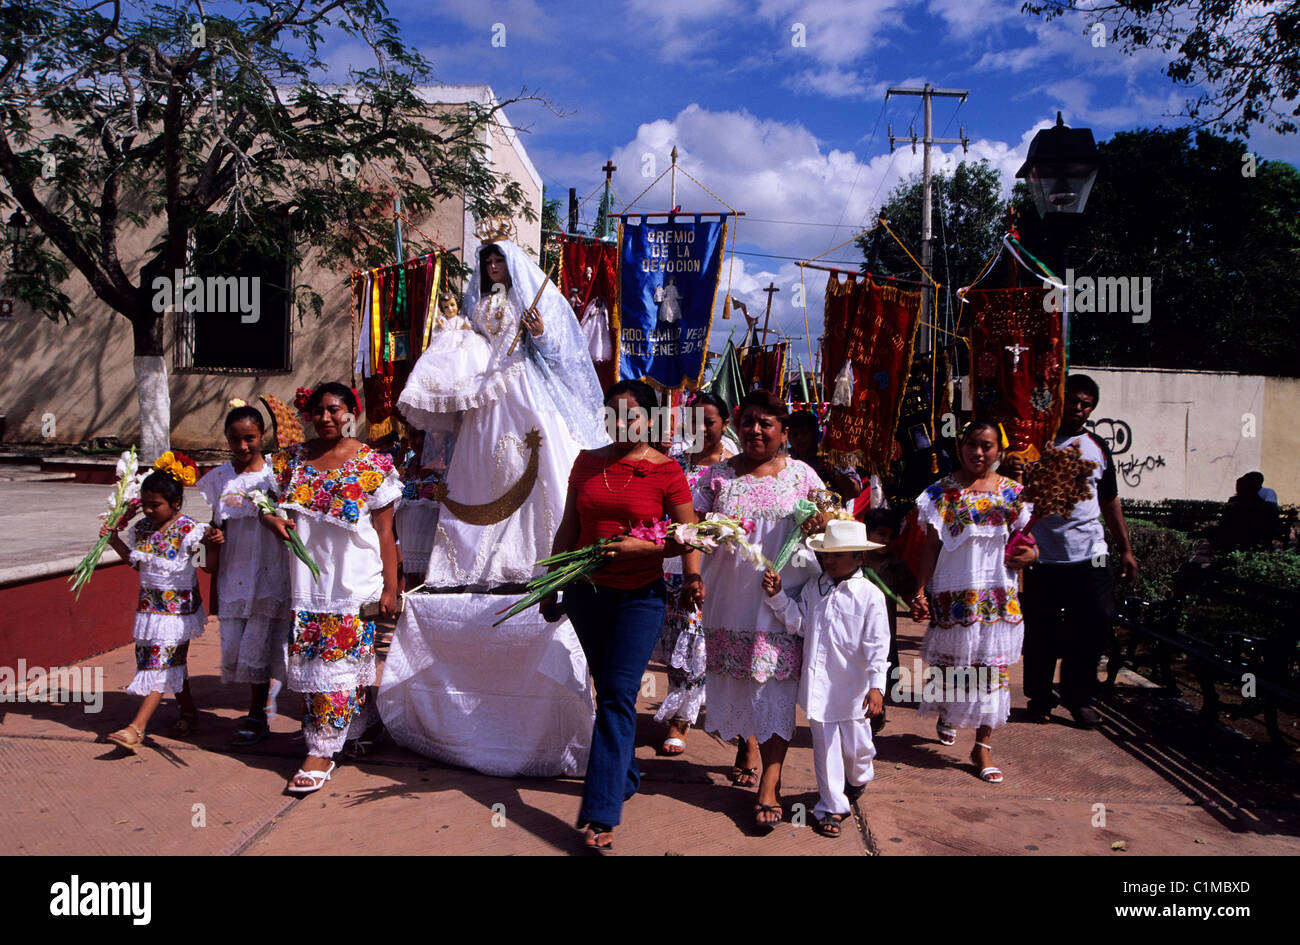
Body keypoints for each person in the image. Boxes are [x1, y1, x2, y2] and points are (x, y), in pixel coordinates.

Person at [542, 380, 701, 853]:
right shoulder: (587, 462)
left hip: (639, 598)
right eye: (612, 413)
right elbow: (570, 526)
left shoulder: (667, 471)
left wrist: (656, 553)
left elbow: (689, 534)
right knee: (606, 689)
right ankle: (625, 773)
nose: (621, 423)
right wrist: (551, 584)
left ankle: (599, 811)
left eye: (631, 415)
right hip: (585, 594)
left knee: (617, 695)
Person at [396, 240, 606, 590]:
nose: (493, 266)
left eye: (499, 260)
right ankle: (471, 559)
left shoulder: (528, 298)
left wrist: (538, 331)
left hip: (525, 385)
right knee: (482, 466)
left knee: (538, 458)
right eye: (488, 261)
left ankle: (544, 555)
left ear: (512, 264)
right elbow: (471, 345)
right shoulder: (476, 304)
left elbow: (560, 349)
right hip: (487, 391)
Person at [693, 389, 827, 828]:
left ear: (783, 433)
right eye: (748, 421)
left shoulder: (803, 476)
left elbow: (832, 526)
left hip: (780, 605)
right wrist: (693, 573)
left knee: (776, 691)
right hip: (729, 605)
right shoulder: (716, 478)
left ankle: (770, 784)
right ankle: (746, 744)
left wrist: (820, 522)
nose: (754, 430)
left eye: (765, 423)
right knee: (742, 685)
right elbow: (690, 532)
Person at [263, 383, 402, 794]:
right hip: (307, 586)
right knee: (315, 669)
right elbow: (267, 508)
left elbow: (386, 532)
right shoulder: (290, 462)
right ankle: (363, 725)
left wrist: (391, 590)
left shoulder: (373, 463)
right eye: (318, 411)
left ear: (351, 412)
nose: (325, 418)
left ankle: (320, 751)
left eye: (334, 410)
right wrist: (269, 521)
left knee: (335, 669)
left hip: (354, 585)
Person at [911, 420, 1037, 783]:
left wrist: (1030, 556)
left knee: (991, 670)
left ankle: (982, 746)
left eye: (987, 446)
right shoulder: (940, 493)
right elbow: (930, 547)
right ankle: (949, 712)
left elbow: (1027, 544)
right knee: (954, 668)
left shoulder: (1015, 493)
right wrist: (920, 591)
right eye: (971, 445)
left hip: (997, 596)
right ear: (960, 445)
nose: (978, 453)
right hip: (953, 594)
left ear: (999, 451)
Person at [1018, 374, 1138, 727]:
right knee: (1041, 631)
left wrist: (1126, 550)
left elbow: (1110, 500)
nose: (1079, 408)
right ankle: (1039, 697)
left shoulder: (1098, 447)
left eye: (1086, 404)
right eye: (1073, 401)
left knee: (1095, 622)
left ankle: (1078, 696)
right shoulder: (1033, 444)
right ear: (1059, 400)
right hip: (1042, 556)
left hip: (1090, 553)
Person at [762, 519, 889, 837]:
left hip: (853, 689)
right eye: (827, 555)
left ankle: (858, 777)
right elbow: (799, 624)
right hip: (819, 687)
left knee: (858, 750)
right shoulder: (813, 588)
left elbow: (877, 644)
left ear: (859, 557)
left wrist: (876, 686)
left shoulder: (869, 596)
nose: (829, 561)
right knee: (827, 748)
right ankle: (831, 806)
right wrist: (778, 597)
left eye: (838, 555)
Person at [101, 455, 220, 752]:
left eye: (157, 505)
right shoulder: (142, 529)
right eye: (146, 504)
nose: (150, 510)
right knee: (166, 663)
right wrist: (113, 540)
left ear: (176, 503)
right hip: (149, 610)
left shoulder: (189, 530)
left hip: (178, 613)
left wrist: (210, 546)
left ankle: (136, 728)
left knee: (161, 665)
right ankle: (189, 713)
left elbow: (207, 567)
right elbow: (136, 564)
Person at [196, 401, 291, 747]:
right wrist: (213, 538)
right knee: (244, 645)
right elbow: (216, 523)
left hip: (271, 569)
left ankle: (261, 711)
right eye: (235, 440)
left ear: (263, 435)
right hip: (237, 570)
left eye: (250, 438)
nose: (243, 446)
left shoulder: (276, 476)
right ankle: (257, 707)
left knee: (266, 641)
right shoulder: (219, 479)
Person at [654, 391, 736, 756]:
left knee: (697, 640)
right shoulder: (672, 459)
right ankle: (682, 703)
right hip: (670, 562)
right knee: (676, 641)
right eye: (693, 421)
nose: (701, 429)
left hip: (712, 567)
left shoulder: (733, 465)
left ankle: (682, 719)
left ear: (725, 424)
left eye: (709, 422)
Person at [861, 506, 917, 732]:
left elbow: (909, 593)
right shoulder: (854, 559)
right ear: (867, 533)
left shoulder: (896, 565)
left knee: (883, 672)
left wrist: (916, 604)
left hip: (885, 636)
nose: (887, 541)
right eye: (881, 534)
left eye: (892, 537)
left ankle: (877, 711)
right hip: (855, 631)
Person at [786, 410, 863, 503]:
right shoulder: (784, 461)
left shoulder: (832, 458)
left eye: (804, 433)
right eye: (795, 434)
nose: (799, 438)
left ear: (815, 434)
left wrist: (833, 471)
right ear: (789, 438)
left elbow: (855, 492)